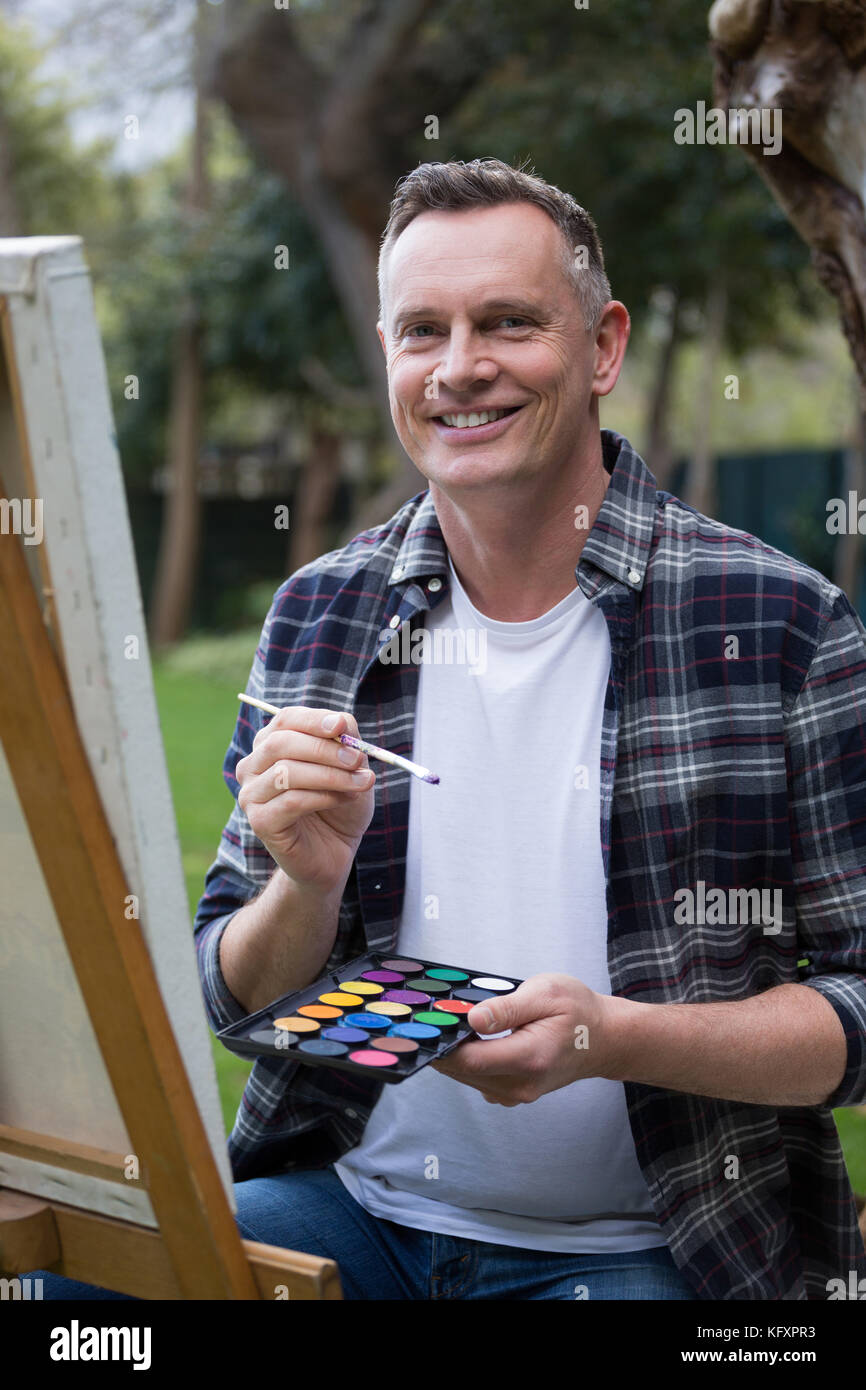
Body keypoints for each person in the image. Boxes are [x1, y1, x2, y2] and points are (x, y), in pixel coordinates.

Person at [37, 158, 866, 1301]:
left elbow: (861, 1003)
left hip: (657, 1247)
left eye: (509, 322)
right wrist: (304, 890)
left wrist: (615, 1036)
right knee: (68, 1298)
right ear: (389, 356)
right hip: (353, 1210)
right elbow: (230, 995)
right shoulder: (323, 609)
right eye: (422, 329)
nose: (460, 367)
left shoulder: (775, 620)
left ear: (602, 348)